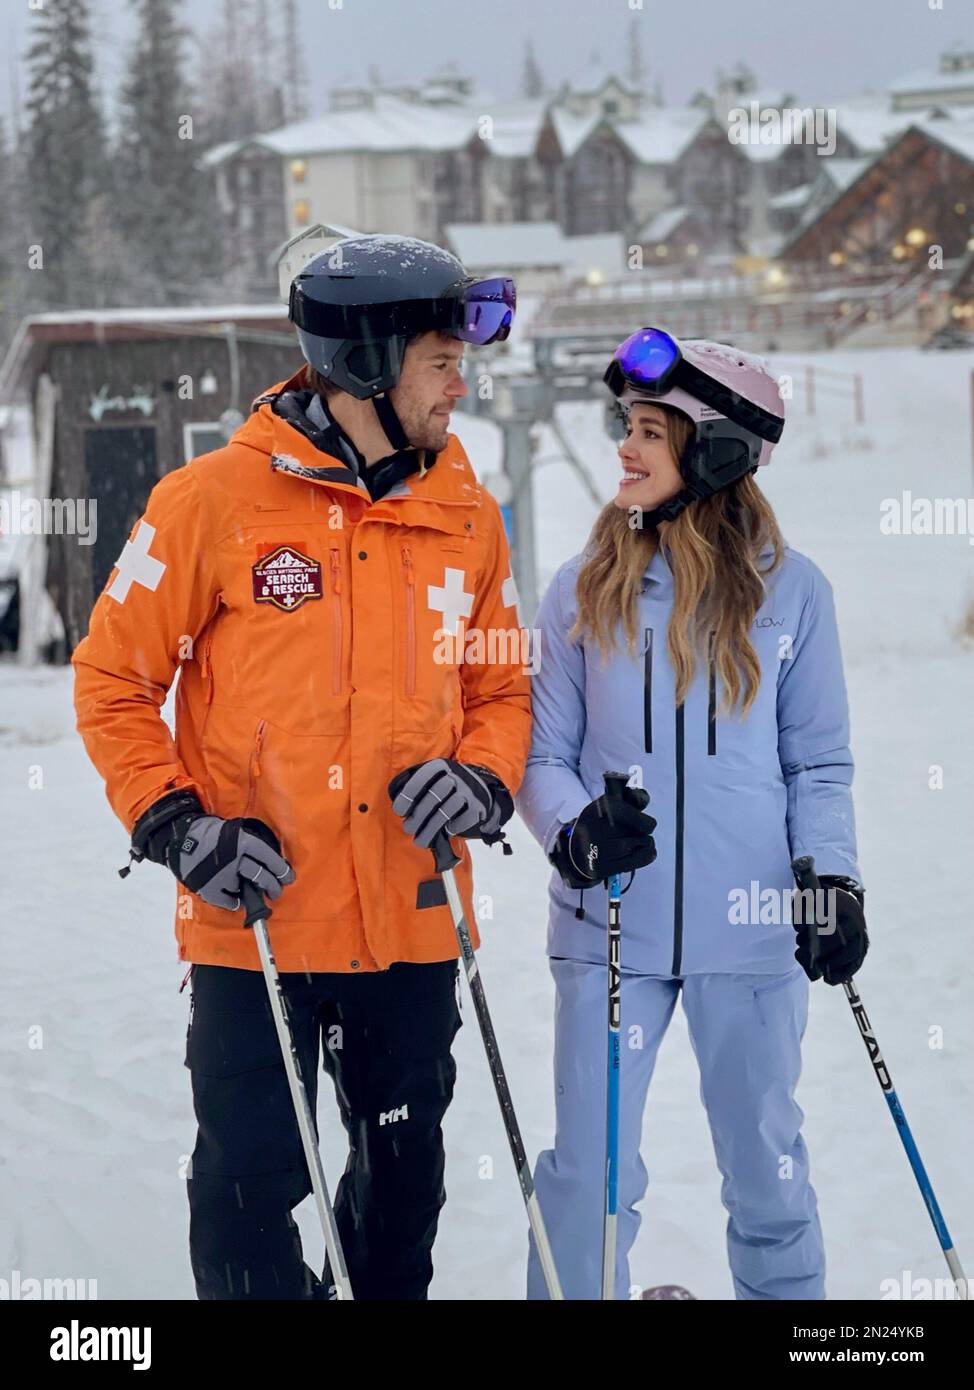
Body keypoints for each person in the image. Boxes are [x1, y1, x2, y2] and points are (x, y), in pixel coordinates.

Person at [71, 234, 530, 1300]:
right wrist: (177, 826)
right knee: (245, 1198)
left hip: (413, 920)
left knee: (401, 1196)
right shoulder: (209, 503)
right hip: (256, 926)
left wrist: (482, 778)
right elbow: (110, 681)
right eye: (439, 361)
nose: (460, 384)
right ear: (368, 363)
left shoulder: (466, 513)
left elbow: (500, 691)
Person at [516, 327, 868, 1301]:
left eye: (647, 433)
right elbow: (539, 759)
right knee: (587, 1179)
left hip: (751, 932)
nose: (622, 452)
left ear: (713, 452)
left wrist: (828, 877)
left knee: (767, 1174)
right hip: (608, 931)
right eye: (624, 429)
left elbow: (816, 762)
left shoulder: (791, 594)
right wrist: (575, 834)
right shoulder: (579, 592)